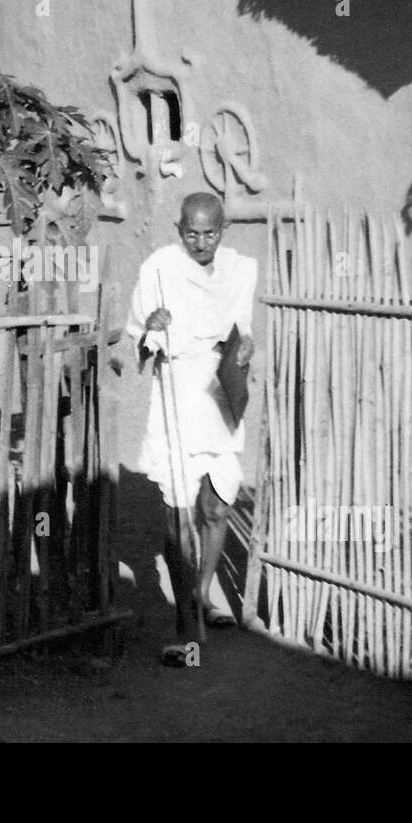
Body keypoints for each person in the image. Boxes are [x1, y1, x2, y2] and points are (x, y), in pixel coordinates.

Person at [126, 192, 257, 665]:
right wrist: (152, 326)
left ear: (223, 230)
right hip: (177, 393)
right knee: (179, 508)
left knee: (217, 506)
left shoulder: (239, 271)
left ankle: (202, 593)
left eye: (211, 232)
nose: (201, 241)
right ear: (178, 228)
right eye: (191, 232)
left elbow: (242, 333)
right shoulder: (159, 269)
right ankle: (185, 626)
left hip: (220, 391)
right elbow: (140, 335)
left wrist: (246, 350)